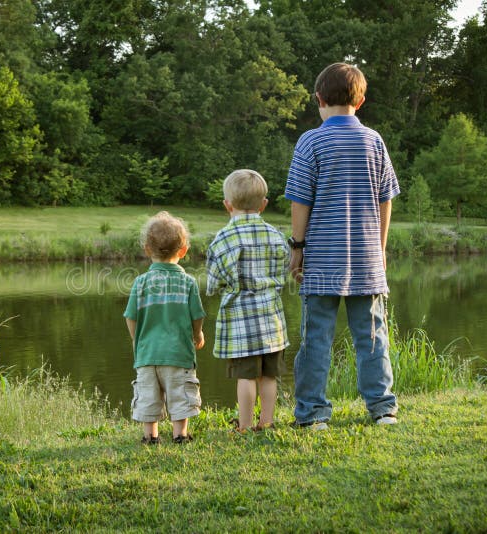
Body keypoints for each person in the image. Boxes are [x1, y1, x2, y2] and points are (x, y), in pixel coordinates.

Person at [285, 62, 400, 429]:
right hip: (367, 259)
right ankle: (382, 408)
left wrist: (297, 247)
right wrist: (381, 248)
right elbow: (385, 199)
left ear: (319, 99)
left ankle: (313, 413)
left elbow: (300, 200)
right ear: (360, 101)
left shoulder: (310, 142)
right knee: (372, 336)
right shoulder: (374, 141)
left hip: (322, 259)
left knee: (316, 338)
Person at [206, 169, 290, 433]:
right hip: (271, 320)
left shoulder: (223, 239)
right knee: (269, 375)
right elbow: (284, 270)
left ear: (227, 205)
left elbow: (213, 282)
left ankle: (244, 426)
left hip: (240, 322)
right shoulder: (276, 236)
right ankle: (266, 421)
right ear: (263, 205)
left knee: (245, 376)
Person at [124, 211, 206, 444]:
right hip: (178, 353)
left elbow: (130, 316)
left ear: (147, 249)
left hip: (147, 353)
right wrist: (197, 334)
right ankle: (180, 435)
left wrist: (136, 339)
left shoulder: (141, 282)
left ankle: (150, 436)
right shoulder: (187, 282)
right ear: (183, 250)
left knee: (149, 396)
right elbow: (197, 315)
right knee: (180, 395)